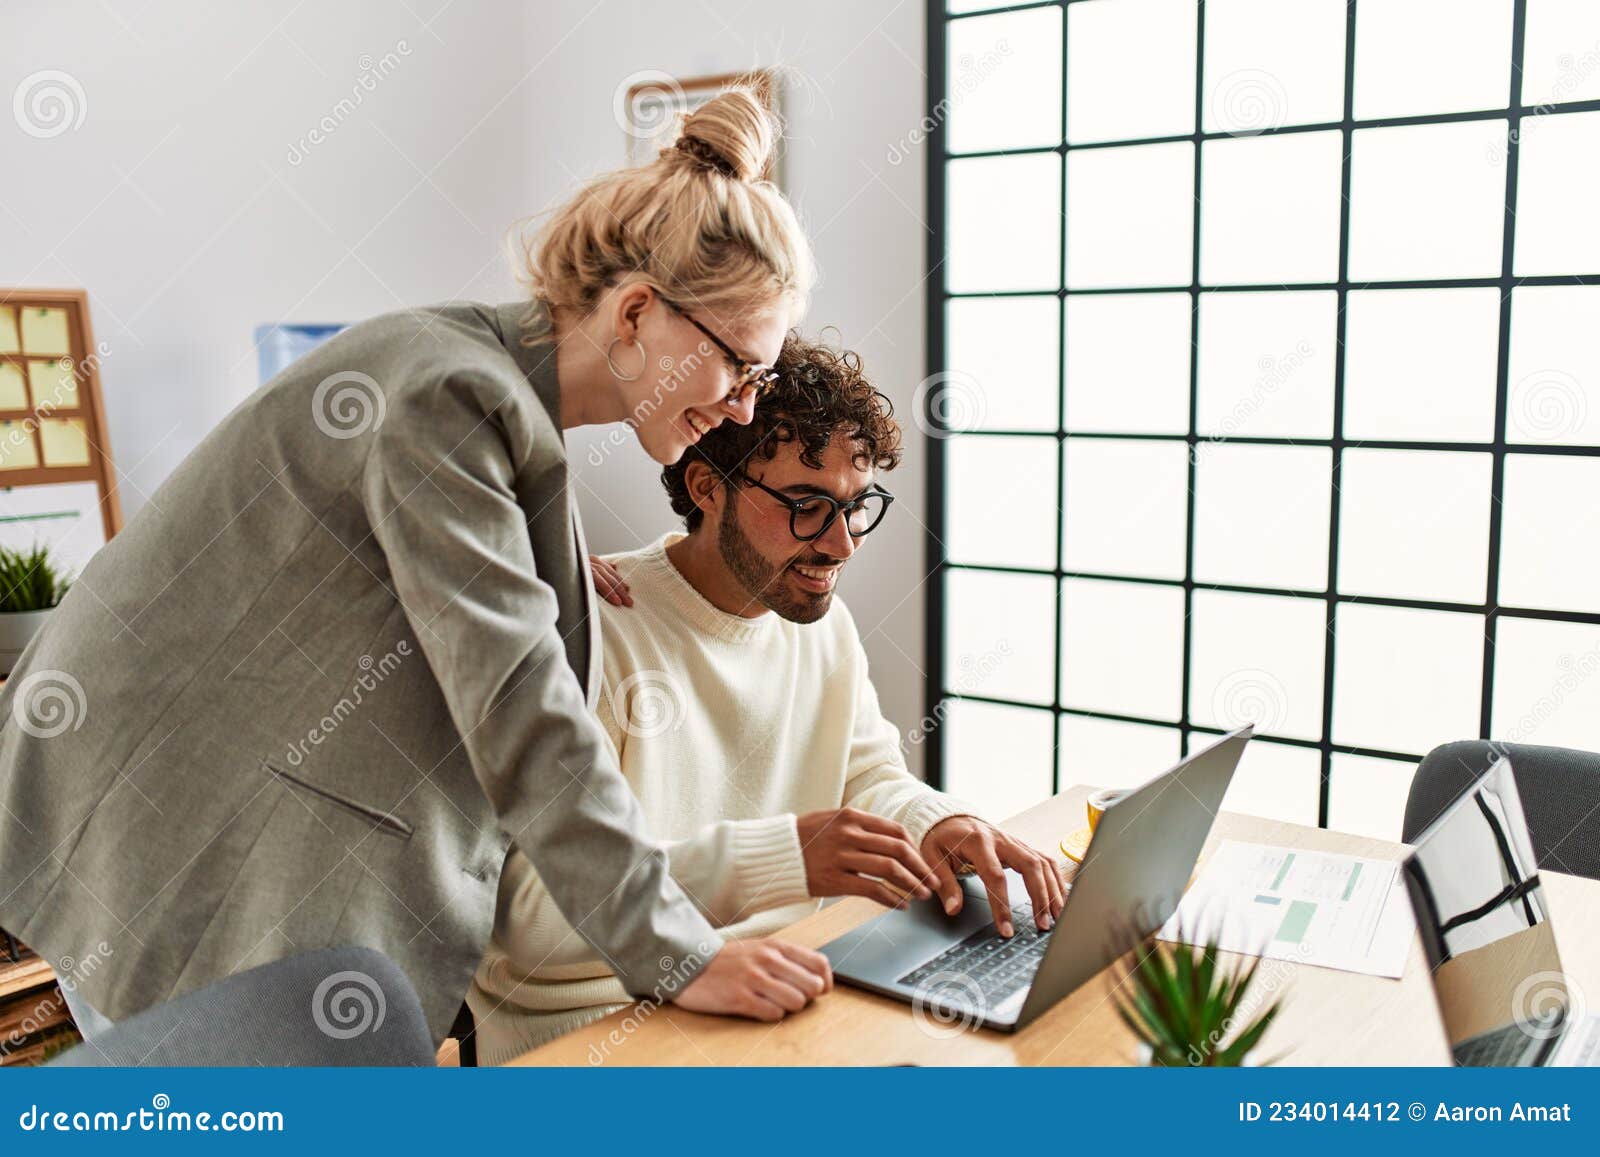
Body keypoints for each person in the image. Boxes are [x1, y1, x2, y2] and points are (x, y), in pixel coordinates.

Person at [0, 87, 835, 1047]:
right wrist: (678, 947)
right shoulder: (447, 390)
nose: (743, 407)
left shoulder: (493, 401)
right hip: (152, 837)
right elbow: (522, 712)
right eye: (741, 366)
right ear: (640, 313)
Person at [466, 333, 1064, 1062]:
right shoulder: (590, 631)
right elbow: (526, 921)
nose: (841, 544)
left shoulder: (818, 625)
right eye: (807, 504)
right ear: (706, 486)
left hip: (782, 982)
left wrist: (937, 821)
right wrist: (784, 857)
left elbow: (866, 774)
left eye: (857, 505)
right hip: (600, 1025)